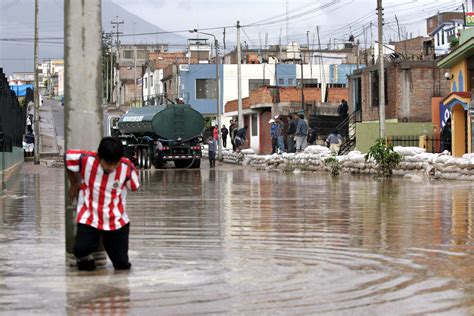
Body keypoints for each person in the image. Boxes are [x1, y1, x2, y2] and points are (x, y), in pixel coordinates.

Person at [64, 137, 140, 271]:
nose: (111, 168)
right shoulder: (86, 159)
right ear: (99, 157)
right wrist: (74, 182)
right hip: (90, 217)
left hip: (116, 221)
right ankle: (89, 282)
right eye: (107, 163)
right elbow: (67, 157)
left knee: (121, 265)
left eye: (114, 164)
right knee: (80, 251)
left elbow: (134, 186)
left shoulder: (126, 167)